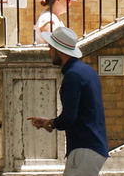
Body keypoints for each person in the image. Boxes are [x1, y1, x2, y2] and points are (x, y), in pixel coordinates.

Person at [28, 26, 109, 176]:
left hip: (85, 148)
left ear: (59, 51)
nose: (49, 52)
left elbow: (69, 117)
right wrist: (50, 122)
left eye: (50, 48)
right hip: (91, 146)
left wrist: (51, 124)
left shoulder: (73, 76)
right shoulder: (86, 71)